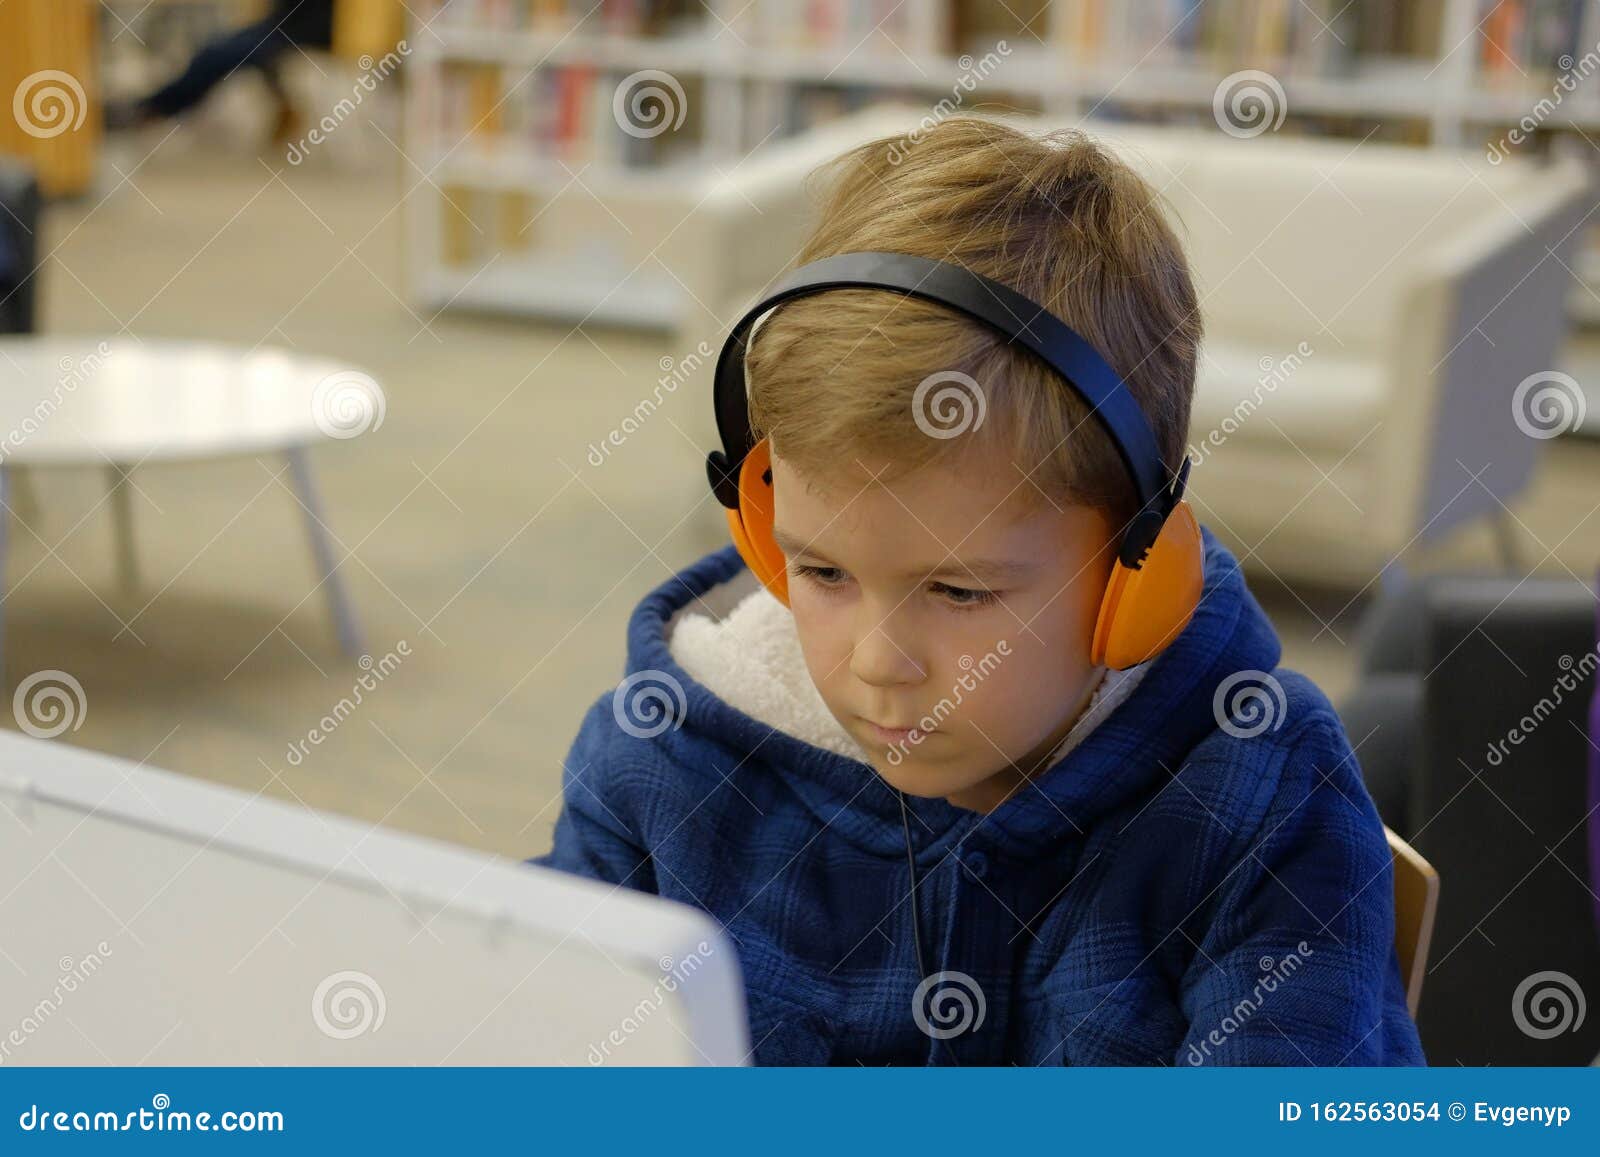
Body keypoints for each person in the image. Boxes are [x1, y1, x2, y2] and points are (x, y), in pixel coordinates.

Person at [528, 115, 1425, 1066]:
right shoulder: (656, 758)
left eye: (958, 592)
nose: (878, 662)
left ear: (1141, 573)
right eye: (823, 571)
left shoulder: (1258, 800)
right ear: (760, 523)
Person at [105, 0, 335, 141]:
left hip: (306, 32)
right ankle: (150, 108)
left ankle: (151, 109)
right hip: (284, 27)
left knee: (217, 54)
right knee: (219, 48)